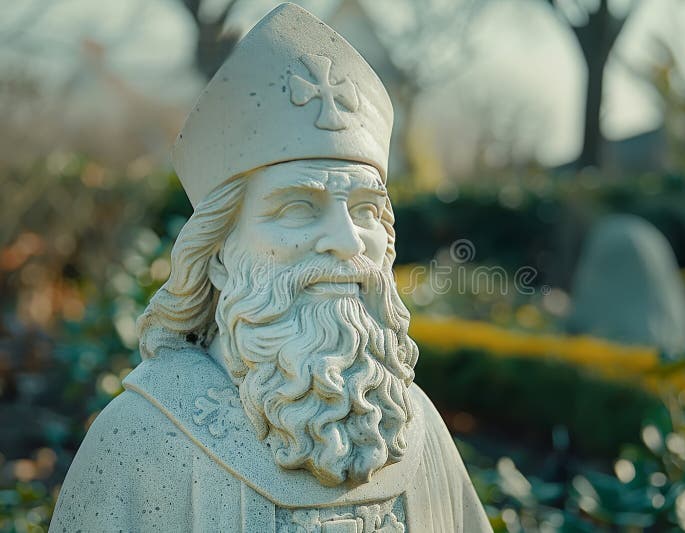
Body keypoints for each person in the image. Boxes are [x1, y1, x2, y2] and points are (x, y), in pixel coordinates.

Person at [50, 3, 492, 532]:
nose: (346, 242)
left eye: (365, 211)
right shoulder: (143, 437)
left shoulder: (418, 428)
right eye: (298, 208)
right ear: (217, 253)